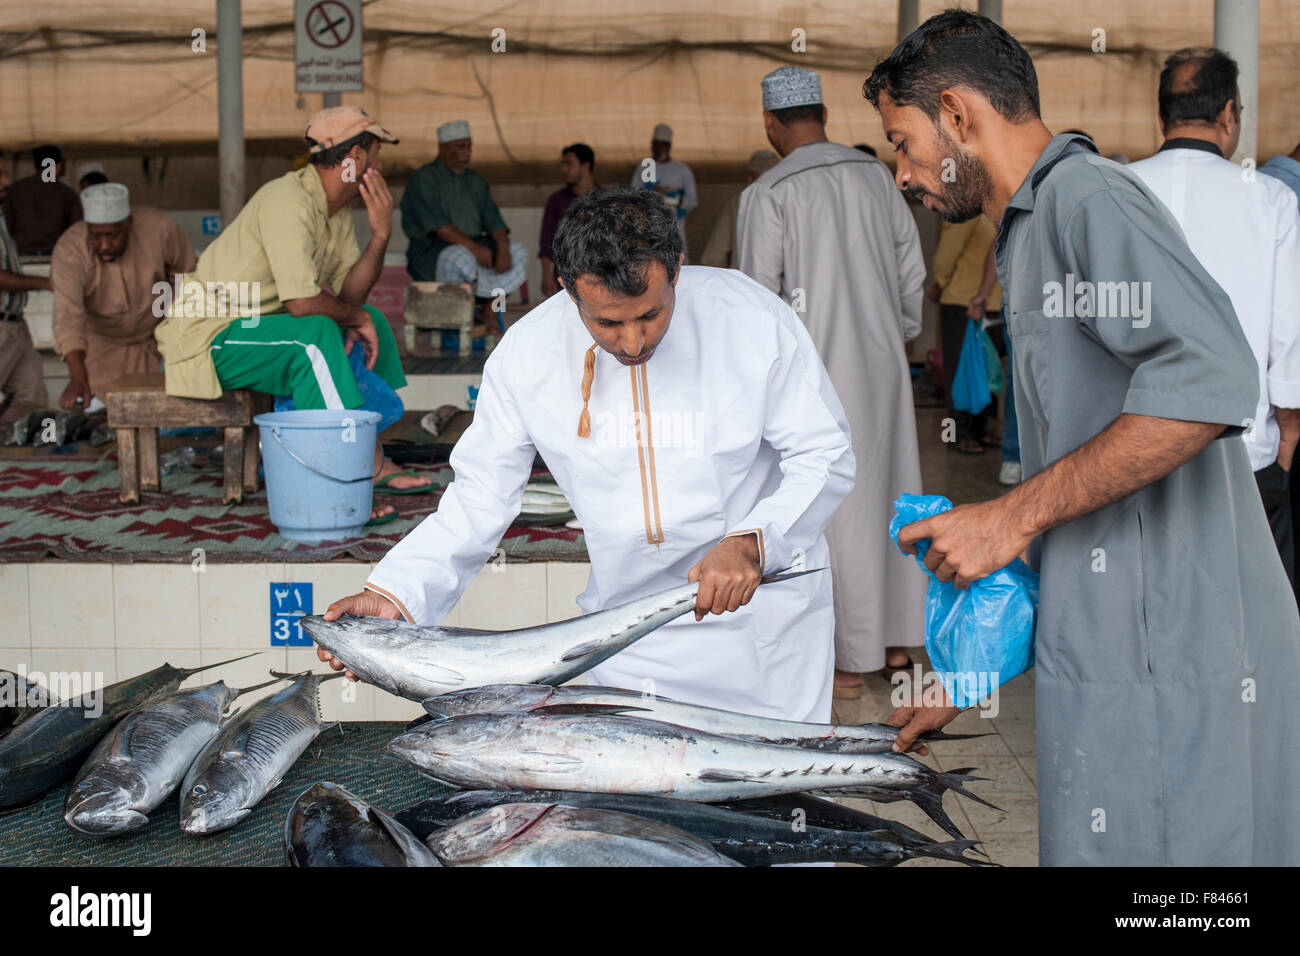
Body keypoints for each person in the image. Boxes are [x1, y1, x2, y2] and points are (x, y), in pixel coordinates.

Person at [865, 8, 1300, 866]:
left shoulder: (1085, 198)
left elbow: (1215, 381)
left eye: (902, 143)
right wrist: (970, 668)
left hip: (1176, 642)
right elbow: (1084, 463)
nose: (904, 174)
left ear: (957, 114)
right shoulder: (1029, 229)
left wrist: (1011, 517)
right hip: (1119, 633)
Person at [317, 188, 855, 723]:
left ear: (677, 269)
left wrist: (755, 540)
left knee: (784, 797)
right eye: (607, 324)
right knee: (634, 801)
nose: (633, 342)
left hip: (763, 619)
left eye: (650, 314)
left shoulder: (750, 317)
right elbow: (480, 496)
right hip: (625, 634)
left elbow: (824, 453)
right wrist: (395, 593)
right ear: (568, 290)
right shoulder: (527, 354)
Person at [737, 64, 927, 698]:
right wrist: (891, 333)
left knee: (829, 504)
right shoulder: (878, 174)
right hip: (882, 364)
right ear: (821, 112)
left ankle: (847, 659)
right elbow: (910, 275)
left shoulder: (769, 191)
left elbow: (758, 302)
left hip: (810, 375)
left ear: (771, 122)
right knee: (894, 490)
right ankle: (900, 640)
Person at [153, 106, 432, 522]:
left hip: (256, 327)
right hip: (208, 333)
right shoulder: (289, 199)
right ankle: (344, 481)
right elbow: (302, 304)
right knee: (315, 334)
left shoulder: (334, 211)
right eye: (376, 155)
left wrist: (380, 236)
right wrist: (352, 318)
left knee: (365, 317)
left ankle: (370, 459)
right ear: (354, 157)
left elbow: (349, 295)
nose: (380, 166)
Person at [1129, 48, 1300, 585]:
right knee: (1245, 612)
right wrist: (1287, 443)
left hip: (1128, 455)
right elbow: (1288, 333)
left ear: (1161, 118)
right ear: (1229, 114)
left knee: (1148, 603)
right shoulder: (1271, 199)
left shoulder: (1117, 189)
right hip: (1244, 455)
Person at [51, 183, 197, 409]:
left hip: (156, 343)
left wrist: (175, 322)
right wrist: (78, 377)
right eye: (96, 236)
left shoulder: (159, 228)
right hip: (101, 352)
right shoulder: (69, 250)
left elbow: (187, 274)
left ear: (128, 224)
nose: (104, 245)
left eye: (112, 235)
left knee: (165, 413)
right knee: (100, 419)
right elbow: (68, 316)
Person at [400, 120, 529, 304]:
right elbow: (441, 228)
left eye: (469, 146)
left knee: (518, 252)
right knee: (461, 260)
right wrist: (475, 248)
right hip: (433, 252)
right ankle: (461, 317)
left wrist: (503, 248)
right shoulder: (424, 178)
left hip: (476, 248)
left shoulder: (475, 181)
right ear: (442, 148)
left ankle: (489, 310)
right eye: (461, 147)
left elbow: (494, 221)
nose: (467, 152)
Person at [929, 216, 1002, 455]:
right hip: (971, 302)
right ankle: (957, 435)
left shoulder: (970, 212)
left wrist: (939, 282)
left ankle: (974, 432)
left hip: (970, 301)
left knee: (978, 371)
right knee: (968, 370)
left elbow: (946, 256)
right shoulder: (990, 211)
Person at [0, 150, 51, 405]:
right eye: (0, 175)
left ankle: (35, 445)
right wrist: (46, 283)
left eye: (5, 174)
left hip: (16, 325)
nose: (6, 182)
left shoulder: (2, 214)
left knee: (32, 400)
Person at [698, 149, 778, 269]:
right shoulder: (789, 203)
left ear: (750, 177)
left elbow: (715, 256)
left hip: (744, 282)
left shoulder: (737, 203)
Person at [539, 143, 598, 298]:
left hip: (601, 277)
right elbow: (546, 239)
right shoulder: (557, 200)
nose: (563, 169)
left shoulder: (604, 199)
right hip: (565, 279)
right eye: (563, 164)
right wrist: (546, 275)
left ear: (585, 166)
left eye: (569, 163)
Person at [3, 144, 82, 256]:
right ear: (58, 166)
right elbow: (77, 229)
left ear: (36, 164)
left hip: (21, 256)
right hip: (56, 256)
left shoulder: (16, 190)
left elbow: (6, 226)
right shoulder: (66, 193)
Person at [630, 124, 697, 252]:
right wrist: (653, 192)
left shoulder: (682, 170)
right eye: (653, 145)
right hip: (649, 224)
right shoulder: (644, 167)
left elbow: (692, 201)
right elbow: (634, 193)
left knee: (675, 254)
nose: (654, 149)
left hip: (675, 224)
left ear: (667, 146)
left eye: (658, 145)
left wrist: (676, 199)